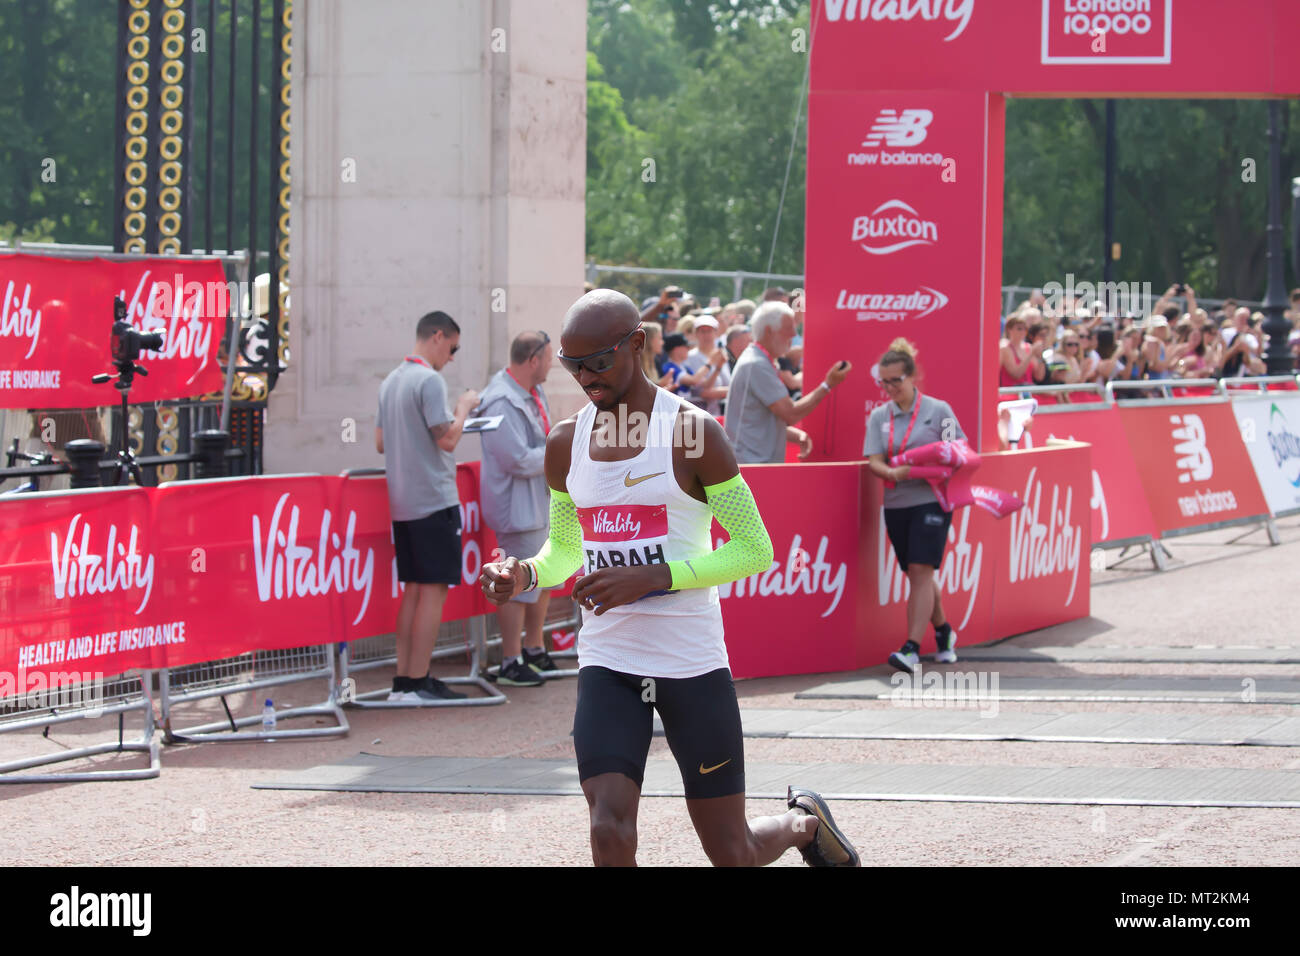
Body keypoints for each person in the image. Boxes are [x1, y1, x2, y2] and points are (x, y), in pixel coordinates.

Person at [477, 289, 860, 867]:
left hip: (689, 662)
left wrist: (656, 577)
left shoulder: (693, 433)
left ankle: (802, 823)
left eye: (597, 362)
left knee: (734, 852)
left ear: (636, 344)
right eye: (573, 366)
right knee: (608, 828)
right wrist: (524, 572)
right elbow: (567, 550)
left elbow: (755, 549)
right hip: (609, 661)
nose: (586, 379)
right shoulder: (565, 442)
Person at [375, 310, 478, 702]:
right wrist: (464, 407)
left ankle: (405, 681)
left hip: (403, 502)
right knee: (432, 592)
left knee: (414, 591)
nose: (451, 357)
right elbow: (447, 439)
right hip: (433, 499)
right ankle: (417, 680)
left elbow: (380, 443)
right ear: (438, 336)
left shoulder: (391, 380)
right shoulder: (429, 380)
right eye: (453, 348)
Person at [863, 339, 961, 675]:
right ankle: (944, 631)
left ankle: (911, 649)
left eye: (896, 381)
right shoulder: (880, 416)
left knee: (920, 570)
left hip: (932, 500)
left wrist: (927, 467)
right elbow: (874, 460)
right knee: (919, 574)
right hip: (897, 503)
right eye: (884, 382)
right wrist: (893, 473)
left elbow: (958, 453)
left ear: (912, 376)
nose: (889, 388)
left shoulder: (939, 410)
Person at [475, 331, 558, 687]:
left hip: (538, 502)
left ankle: (533, 649)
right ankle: (511, 660)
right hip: (518, 508)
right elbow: (518, 460)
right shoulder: (501, 400)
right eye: (549, 358)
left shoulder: (532, 391)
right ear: (533, 360)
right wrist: (559, 451)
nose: (553, 365)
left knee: (543, 576)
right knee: (515, 581)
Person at [724, 301, 851, 463]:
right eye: (789, 328)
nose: (793, 335)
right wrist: (827, 385)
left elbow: (760, 420)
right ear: (769, 331)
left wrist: (794, 435)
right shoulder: (757, 364)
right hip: (753, 465)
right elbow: (790, 414)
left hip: (753, 463)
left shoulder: (758, 359)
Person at [679, 315, 730, 415]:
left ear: (716, 333)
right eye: (702, 331)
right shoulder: (690, 357)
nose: (706, 335)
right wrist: (733, 390)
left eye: (709, 331)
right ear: (696, 334)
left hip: (721, 413)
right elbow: (702, 392)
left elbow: (727, 382)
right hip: (700, 415)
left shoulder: (721, 354)